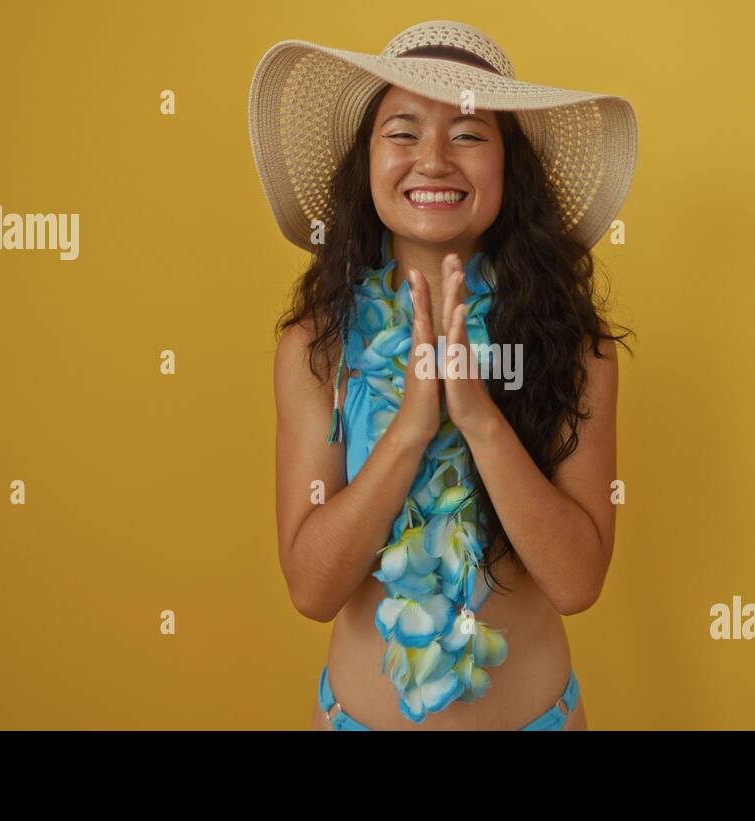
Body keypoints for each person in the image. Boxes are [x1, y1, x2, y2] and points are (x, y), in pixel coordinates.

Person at [247, 19, 638, 730]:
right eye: (401, 132)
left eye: (466, 133)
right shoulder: (320, 347)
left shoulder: (577, 350)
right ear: (365, 164)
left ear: (507, 168)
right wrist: (410, 428)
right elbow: (311, 588)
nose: (432, 158)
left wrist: (480, 417)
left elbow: (578, 582)